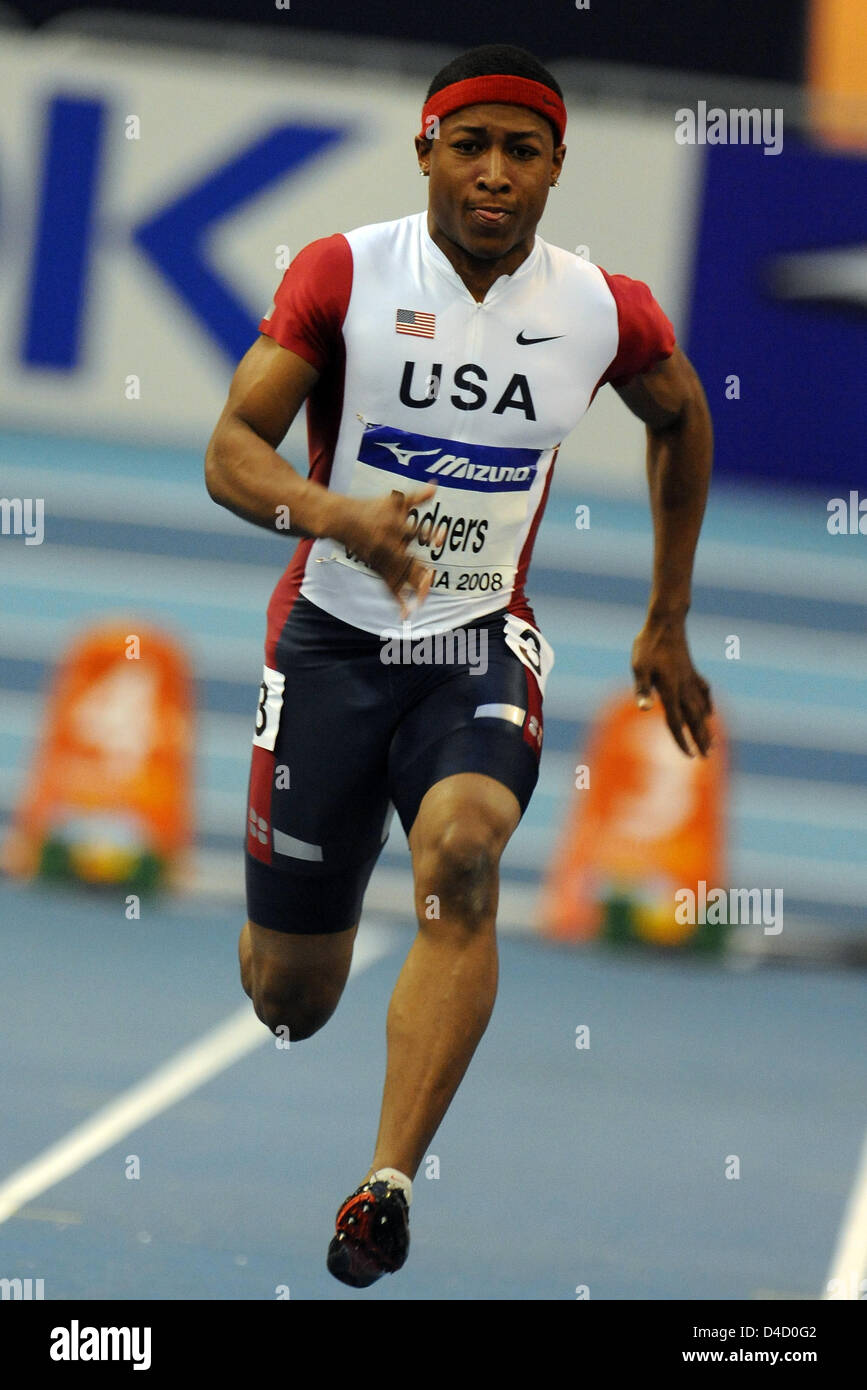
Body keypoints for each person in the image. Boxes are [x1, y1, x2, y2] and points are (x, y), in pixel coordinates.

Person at [204, 42, 714, 1288]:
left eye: (521, 151)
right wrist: (340, 515)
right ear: (426, 149)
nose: (494, 173)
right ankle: (312, 884)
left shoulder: (603, 308)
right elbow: (231, 450)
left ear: (555, 169)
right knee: (289, 999)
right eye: (471, 145)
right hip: (329, 640)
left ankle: (384, 1184)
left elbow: (682, 415)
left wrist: (667, 615)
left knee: (467, 855)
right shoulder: (345, 273)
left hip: (475, 640)